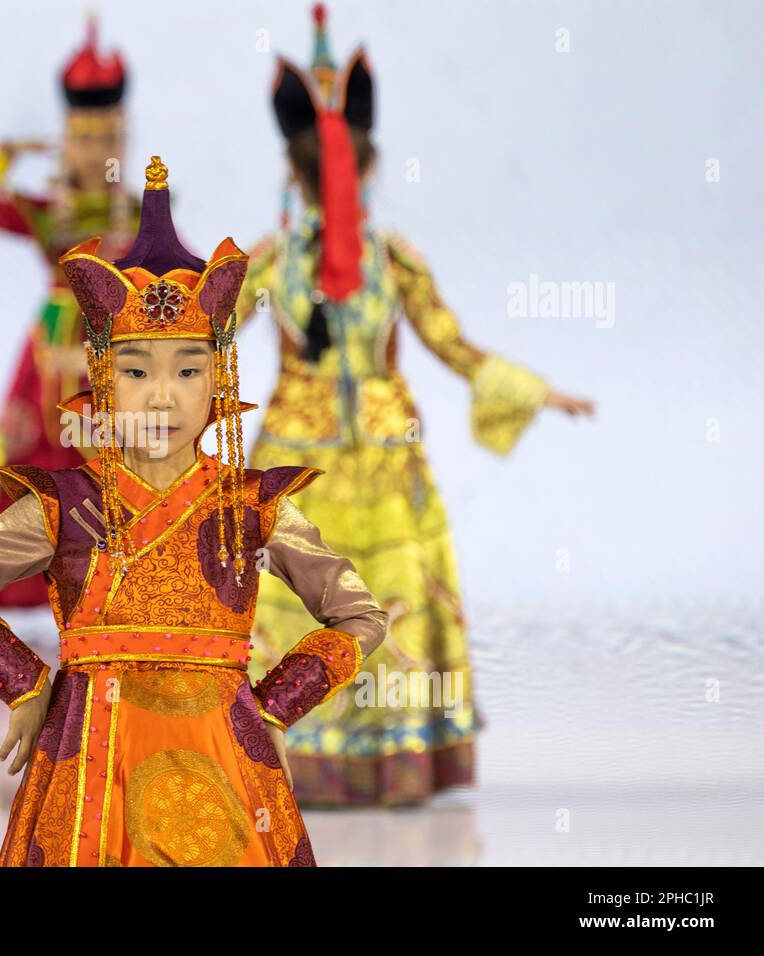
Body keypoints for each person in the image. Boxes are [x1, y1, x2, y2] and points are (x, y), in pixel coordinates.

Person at [0, 157, 389, 866]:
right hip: (88, 771)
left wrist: (276, 706)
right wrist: (25, 681)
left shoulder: (252, 508)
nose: (162, 396)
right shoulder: (64, 508)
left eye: (188, 370)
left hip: (223, 772)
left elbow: (361, 615)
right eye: (136, 371)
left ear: (219, 381)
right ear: (100, 382)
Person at [236, 4, 595, 807]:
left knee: (352, 597)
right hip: (336, 458)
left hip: (350, 457)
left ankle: (352, 756)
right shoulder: (316, 262)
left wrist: (536, 392)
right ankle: (332, 759)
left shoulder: (344, 260)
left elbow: (449, 343)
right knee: (328, 593)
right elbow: (207, 328)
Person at [0, 15, 139, 608]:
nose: (97, 151)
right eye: (83, 138)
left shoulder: (138, 214)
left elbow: (175, 274)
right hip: (51, 346)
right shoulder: (50, 212)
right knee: (27, 453)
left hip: (113, 349)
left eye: (108, 137)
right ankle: (8, 579)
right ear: (66, 141)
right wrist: (8, 153)